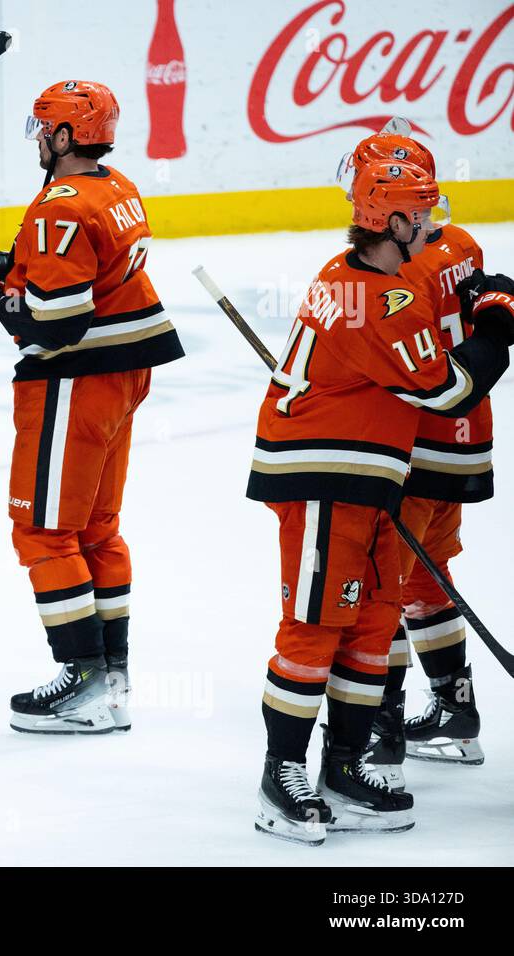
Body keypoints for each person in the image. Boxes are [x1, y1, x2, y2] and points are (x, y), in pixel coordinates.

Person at [247, 160, 512, 845]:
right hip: (324, 475)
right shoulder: (384, 300)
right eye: (420, 215)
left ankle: (343, 766)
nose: (430, 225)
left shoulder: (356, 272)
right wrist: (499, 329)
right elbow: (450, 391)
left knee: (370, 624)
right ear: (394, 222)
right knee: (314, 626)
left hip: (365, 473)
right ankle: (282, 776)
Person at [0, 81, 183, 735]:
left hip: (78, 379)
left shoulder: (60, 206)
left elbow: (52, 323)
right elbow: (78, 267)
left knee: (43, 531)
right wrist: (9, 265)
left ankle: (86, 684)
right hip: (126, 374)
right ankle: (112, 677)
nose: (40, 140)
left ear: (67, 136)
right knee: (96, 528)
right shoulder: (115, 185)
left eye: (46, 129)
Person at [336, 129, 492, 784]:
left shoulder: (400, 275)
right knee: (426, 580)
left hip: (418, 446)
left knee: (381, 589)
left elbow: (410, 372)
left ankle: (382, 731)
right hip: (466, 442)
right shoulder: (462, 245)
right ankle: (456, 715)